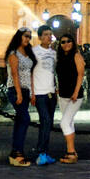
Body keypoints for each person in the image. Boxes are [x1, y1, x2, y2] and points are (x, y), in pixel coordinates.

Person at [4, 29, 35, 166]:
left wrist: (32, 93)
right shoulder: (13, 54)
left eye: (29, 37)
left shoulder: (28, 53)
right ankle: (17, 153)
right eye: (25, 36)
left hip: (26, 90)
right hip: (15, 90)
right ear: (19, 37)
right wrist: (19, 93)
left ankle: (15, 152)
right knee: (25, 119)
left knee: (20, 120)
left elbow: (30, 74)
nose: (28, 39)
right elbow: (14, 74)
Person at [55, 32, 86, 163]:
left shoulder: (76, 56)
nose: (66, 44)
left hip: (75, 96)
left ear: (73, 43)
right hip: (63, 95)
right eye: (63, 42)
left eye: (68, 41)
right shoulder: (60, 57)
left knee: (64, 123)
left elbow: (81, 75)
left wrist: (76, 92)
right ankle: (72, 152)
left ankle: (71, 152)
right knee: (69, 122)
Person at [30, 25, 58, 166]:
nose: (49, 37)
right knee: (45, 121)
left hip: (51, 93)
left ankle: (45, 153)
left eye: (50, 34)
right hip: (39, 93)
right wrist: (32, 93)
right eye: (46, 34)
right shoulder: (34, 52)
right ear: (40, 37)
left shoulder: (54, 53)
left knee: (48, 123)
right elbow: (30, 73)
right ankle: (41, 152)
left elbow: (54, 72)